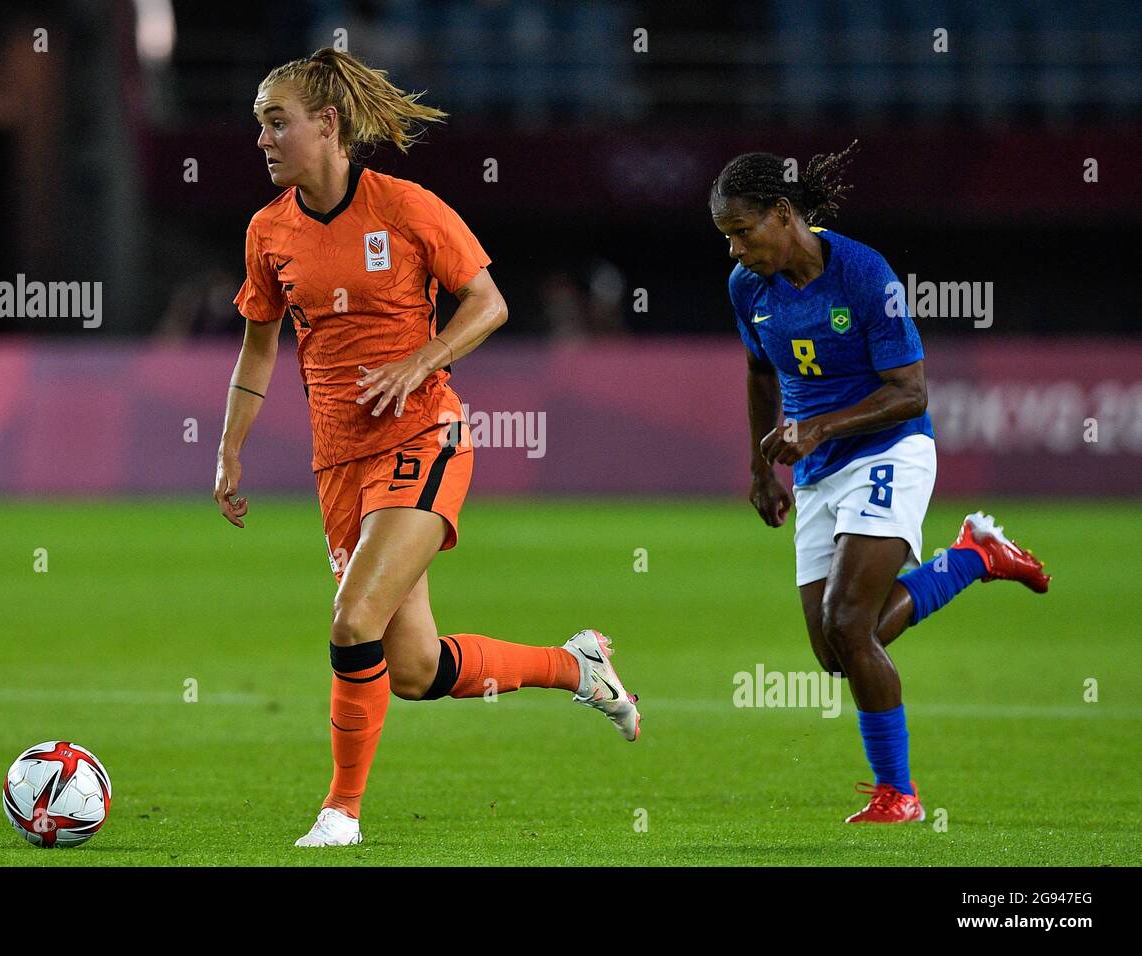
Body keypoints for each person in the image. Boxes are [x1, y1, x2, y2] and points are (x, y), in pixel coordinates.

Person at [215, 48, 640, 848]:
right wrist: (228, 448)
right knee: (411, 671)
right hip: (337, 461)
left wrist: (421, 360)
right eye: (259, 124)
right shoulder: (268, 231)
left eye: (277, 122)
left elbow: (488, 303)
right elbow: (259, 346)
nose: (262, 139)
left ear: (328, 125)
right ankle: (574, 665)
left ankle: (341, 813)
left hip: (424, 436)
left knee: (350, 624)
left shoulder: (405, 208)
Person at [711, 143, 1050, 823]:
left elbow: (912, 393)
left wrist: (820, 427)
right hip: (816, 469)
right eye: (726, 238)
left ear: (783, 214)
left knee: (848, 622)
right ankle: (974, 557)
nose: (735, 251)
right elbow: (759, 374)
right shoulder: (749, 288)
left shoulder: (864, 274)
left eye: (742, 232)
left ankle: (900, 793)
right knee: (836, 655)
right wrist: (759, 467)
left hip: (889, 452)